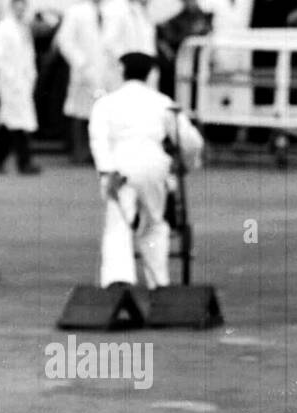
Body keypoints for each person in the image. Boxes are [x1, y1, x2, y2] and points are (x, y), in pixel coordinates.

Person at [89, 51, 203, 288]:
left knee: (118, 222)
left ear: (121, 70)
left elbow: (98, 139)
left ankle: (118, 278)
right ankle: (158, 281)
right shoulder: (163, 102)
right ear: (151, 74)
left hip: (120, 167)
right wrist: (187, 164)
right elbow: (192, 141)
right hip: (153, 166)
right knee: (154, 222)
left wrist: (106, 170)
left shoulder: (106, 103)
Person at [0, 0, 42, 175]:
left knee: (10, 121)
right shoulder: (3, 28)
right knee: (17, 122)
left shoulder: (22, 27)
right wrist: (9, 78)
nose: (21, 8)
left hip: (22, 83)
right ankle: (23, 162)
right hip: (10, 83)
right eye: (18, 4)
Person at [56, 0, 112, 163]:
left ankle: (96, 153)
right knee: (80, 112)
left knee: (100, 113)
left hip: (105, 72)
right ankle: (79, 152)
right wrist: (80, 62)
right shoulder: (76, 12)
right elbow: (65, 41)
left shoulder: (110, 11)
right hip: (84, 70)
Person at [157, 0, 214, 97]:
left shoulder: (207, 18)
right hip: (183, 68)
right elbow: (167, 42)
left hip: (203, 67)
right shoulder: (174, 22)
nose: (191, 3)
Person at [103, 0, 158, 85]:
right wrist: (130, 64)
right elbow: (110, 43)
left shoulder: (139, 9)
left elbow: (148, 44)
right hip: (126, 72)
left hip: (144, 71)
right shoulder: (115, 9)